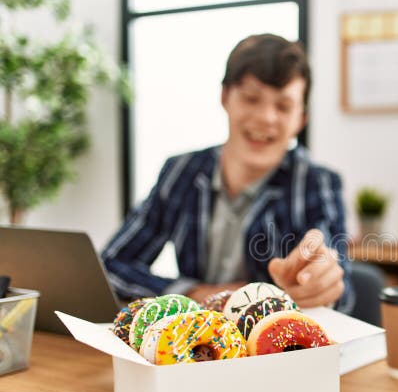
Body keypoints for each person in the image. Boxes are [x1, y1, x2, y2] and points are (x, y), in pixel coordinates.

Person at [102, 34, 354, 314]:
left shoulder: (317, 184)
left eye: (283, 106)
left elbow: (342, 291)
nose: (266, 117)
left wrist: (324, 284)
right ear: (225, 97)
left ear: (301, 120)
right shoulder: (181, 172)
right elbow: (112, 264)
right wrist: (193, 292)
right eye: (251, 98)